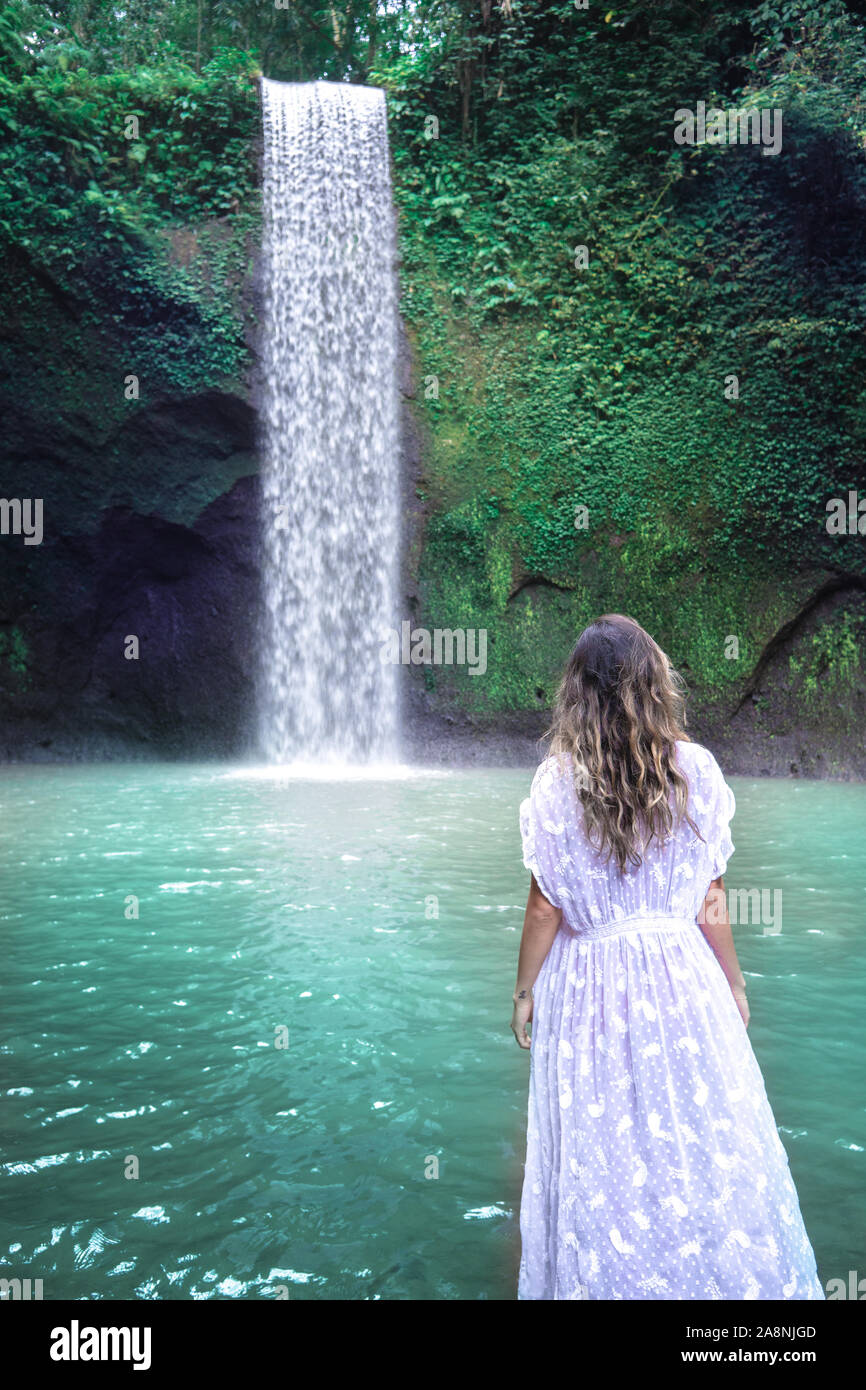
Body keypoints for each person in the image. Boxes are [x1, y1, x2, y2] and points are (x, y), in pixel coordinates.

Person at [511, 614, 824, 1301]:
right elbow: (711, 895)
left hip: (588, 987)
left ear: (575, 693)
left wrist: (524, 990)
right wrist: (734, 984)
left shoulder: (555, 785)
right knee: (706, 1145)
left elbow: (545, 906)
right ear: (656, 684)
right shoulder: (696, 771)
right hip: (684, 979)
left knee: (604, 1156)